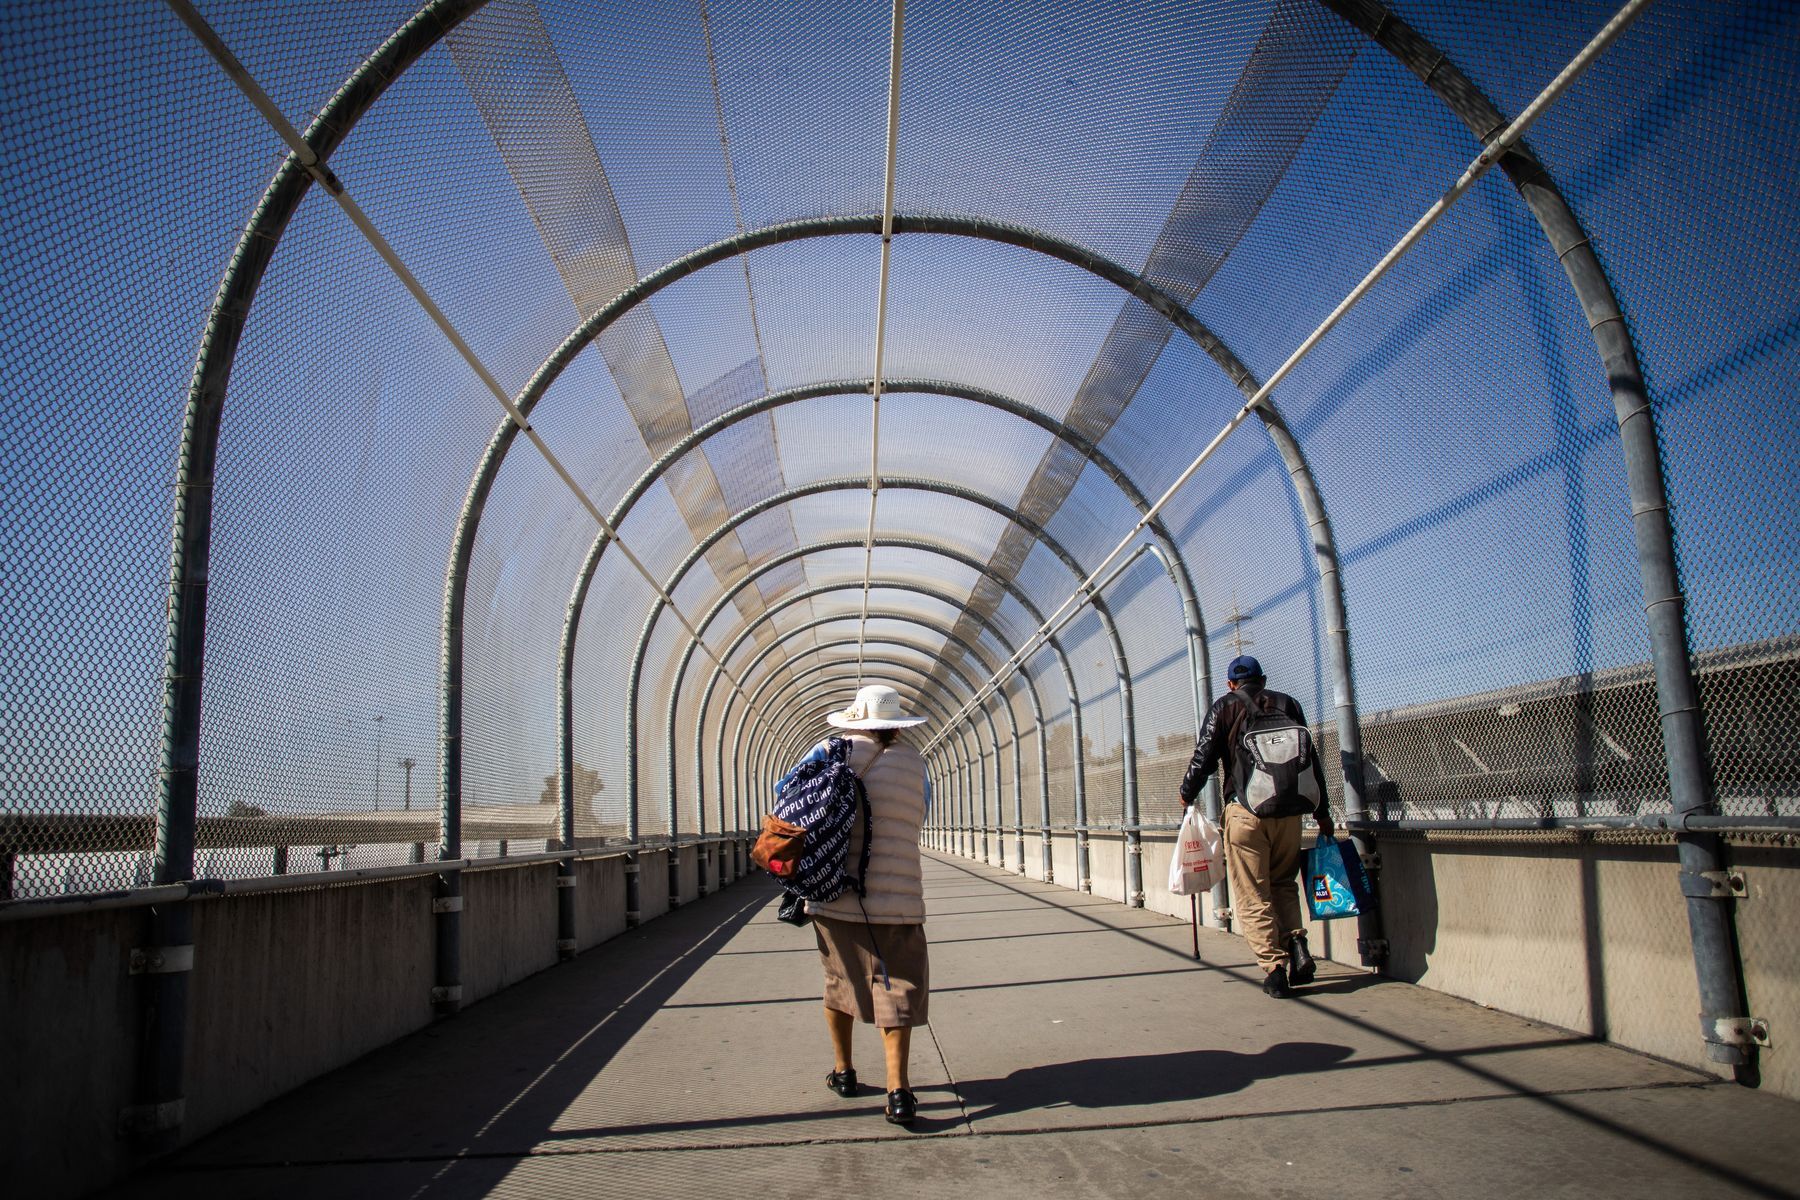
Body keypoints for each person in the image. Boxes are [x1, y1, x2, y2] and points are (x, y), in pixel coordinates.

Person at [775, 684, 933, 1126]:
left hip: (835, 893)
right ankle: (899, 1091)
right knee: (898, 987)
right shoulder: (915, 762)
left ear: (855, 717)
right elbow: (921, 814)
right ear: (894, 723)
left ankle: (844, 1073)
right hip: (902, 897)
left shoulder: (830, 749)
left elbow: (786, 797)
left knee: (839, 983)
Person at [1178, 655, 1334, 998]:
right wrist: (1323, 815)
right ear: (1262, 679)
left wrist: (1187, 793)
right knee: (1283, 884)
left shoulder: (1225, 707)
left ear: (1231, 683)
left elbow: (1204, 757)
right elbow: (1311, 761)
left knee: (1253, 894)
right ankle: (1297, 943)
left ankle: (1274, 968)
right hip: (1291, 813)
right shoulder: (1288, 703)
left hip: (1246, 813)